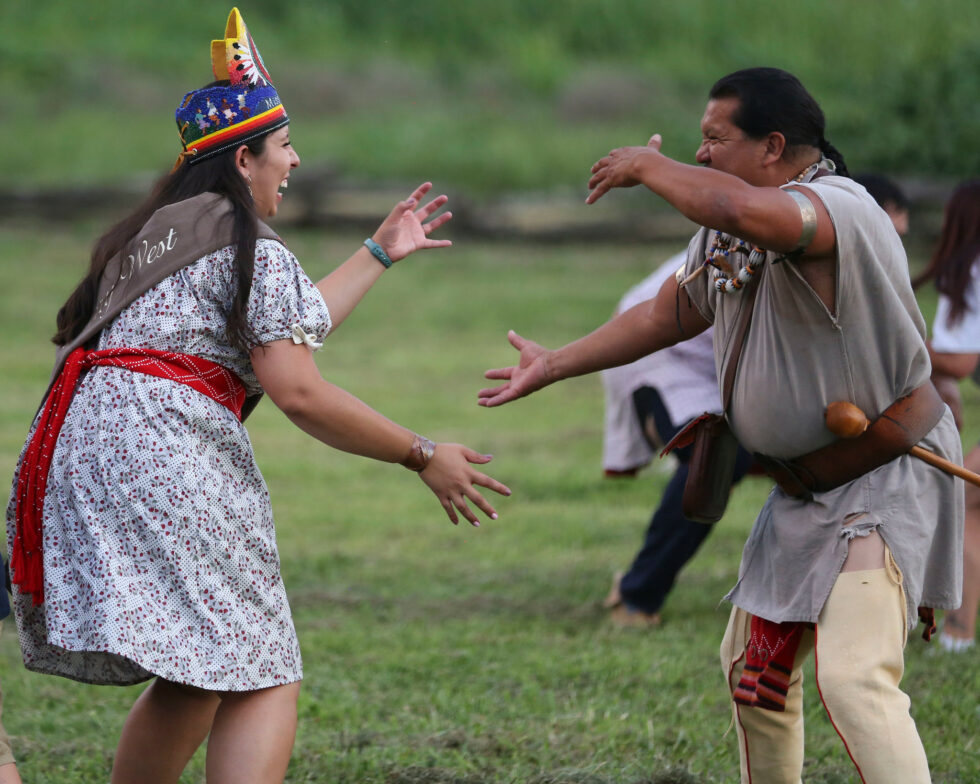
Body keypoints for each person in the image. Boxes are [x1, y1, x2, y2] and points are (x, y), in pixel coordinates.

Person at [5, 9, 509, 784]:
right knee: (265, 666)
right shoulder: (247, 246)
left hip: (87, 446)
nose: (295, 160)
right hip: (167, 454)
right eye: (283, 147)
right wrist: (423, 452)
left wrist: (378, 252)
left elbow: (283, 333)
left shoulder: (156, 232)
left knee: (203, 668)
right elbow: (299, 390)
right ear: (245, 160)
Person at [479, 67, 961, 783]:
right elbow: (668, 313)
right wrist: (555, 364)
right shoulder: (728, 230)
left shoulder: (838, 208)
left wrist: (649, 164)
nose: (699, 153)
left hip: (878, 484)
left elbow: (745, 214)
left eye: (714, 138)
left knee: (856, 681)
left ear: (773, 147)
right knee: (754, 681)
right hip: (803, 498)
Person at [599, 254, 754, 627]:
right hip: (661, 349)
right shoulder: (768, 234)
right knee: (712, 455)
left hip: (733, 362)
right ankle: (638, 593)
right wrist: (552, 365)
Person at [912, 179, 980, 653]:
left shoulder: (972, 267)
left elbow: (960, 361)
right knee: (968, 504)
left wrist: (899, 345)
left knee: (960, 496)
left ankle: (958, 627)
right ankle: (959, 627)